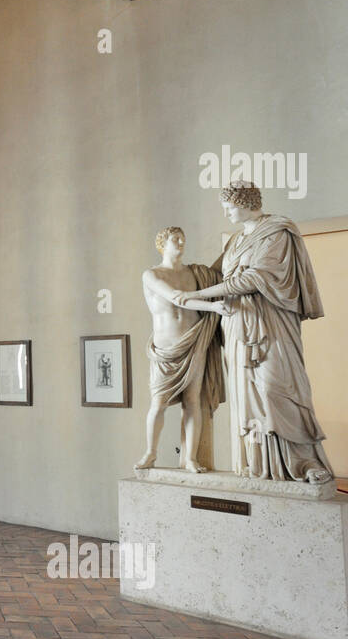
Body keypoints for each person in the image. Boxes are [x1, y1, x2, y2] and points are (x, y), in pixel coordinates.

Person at [170, 182, 333, 484]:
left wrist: (201, 294)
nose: (226, 212)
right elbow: (215, 273)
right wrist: (171, 271)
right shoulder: (235, 240)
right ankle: (258, 466)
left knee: (278, 389)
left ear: (245, 203)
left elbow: (251, 280)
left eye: (229, 206)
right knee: (246, 399)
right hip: (237, 328)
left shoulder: (276, 232)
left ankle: (304, 463)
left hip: (270, 324)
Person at [135, 227, 228, 472]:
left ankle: (190, 458)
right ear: (162, 243)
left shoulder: (195, 273)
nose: (181, 242)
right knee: (159, 402)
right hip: (166, 349)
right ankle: (150, 453)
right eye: (175, 238)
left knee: (192, 402)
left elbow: (218, 273)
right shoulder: (152, 274)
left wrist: (231, 247)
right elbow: (177, 298)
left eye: (183, 238)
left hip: (194, 342)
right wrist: (214, 307)